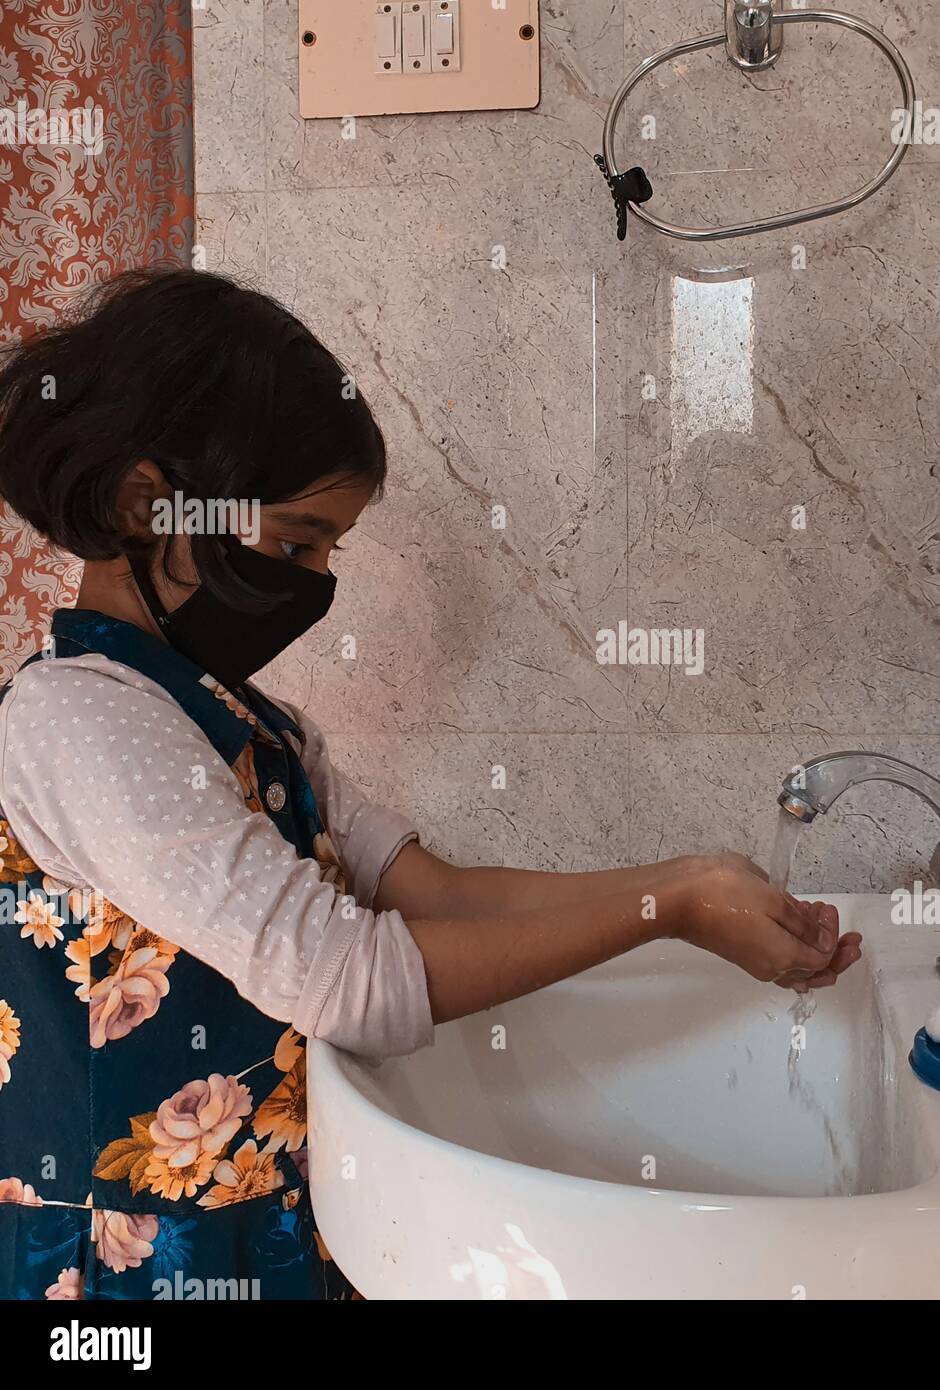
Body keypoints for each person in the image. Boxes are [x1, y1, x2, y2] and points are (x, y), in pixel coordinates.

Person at [0, 269, 860, 1299]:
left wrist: (687, 881)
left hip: (260, 1220)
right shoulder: (79, 720)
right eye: (296, 544)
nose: (315, 583)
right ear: (150, 503)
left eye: (329, 550)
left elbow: (433, 892)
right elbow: (351, 981)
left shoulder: (243, 717)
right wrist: (663, 909)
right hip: (137, 1263)